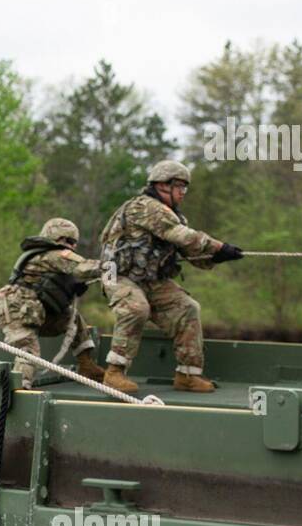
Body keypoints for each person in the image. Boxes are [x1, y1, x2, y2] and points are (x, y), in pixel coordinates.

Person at [98, 159, 244, 393]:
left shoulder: (174, 217)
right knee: (136, 308)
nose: (183, 193)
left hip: (150, 281)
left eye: (185, 188)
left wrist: (218, 257)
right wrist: (218, 246)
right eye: (180, 187)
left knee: (188, 307)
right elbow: (183, 236)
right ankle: (114, 373)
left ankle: (188, 375)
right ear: (163, 185)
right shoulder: (144, 207)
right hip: (117, 275)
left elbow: (191, 253)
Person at [0, 217, 105, 384]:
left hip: (37, 311)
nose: (73, 246)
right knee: (28, 351)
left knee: (73, 318)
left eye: (75, 243)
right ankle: (19, 389)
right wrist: (111, 266)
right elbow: (84, 267)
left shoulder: (50, 258)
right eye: (69, 241)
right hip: (16, 311)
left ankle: (86, 365)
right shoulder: (54, 255)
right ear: (57, 239)